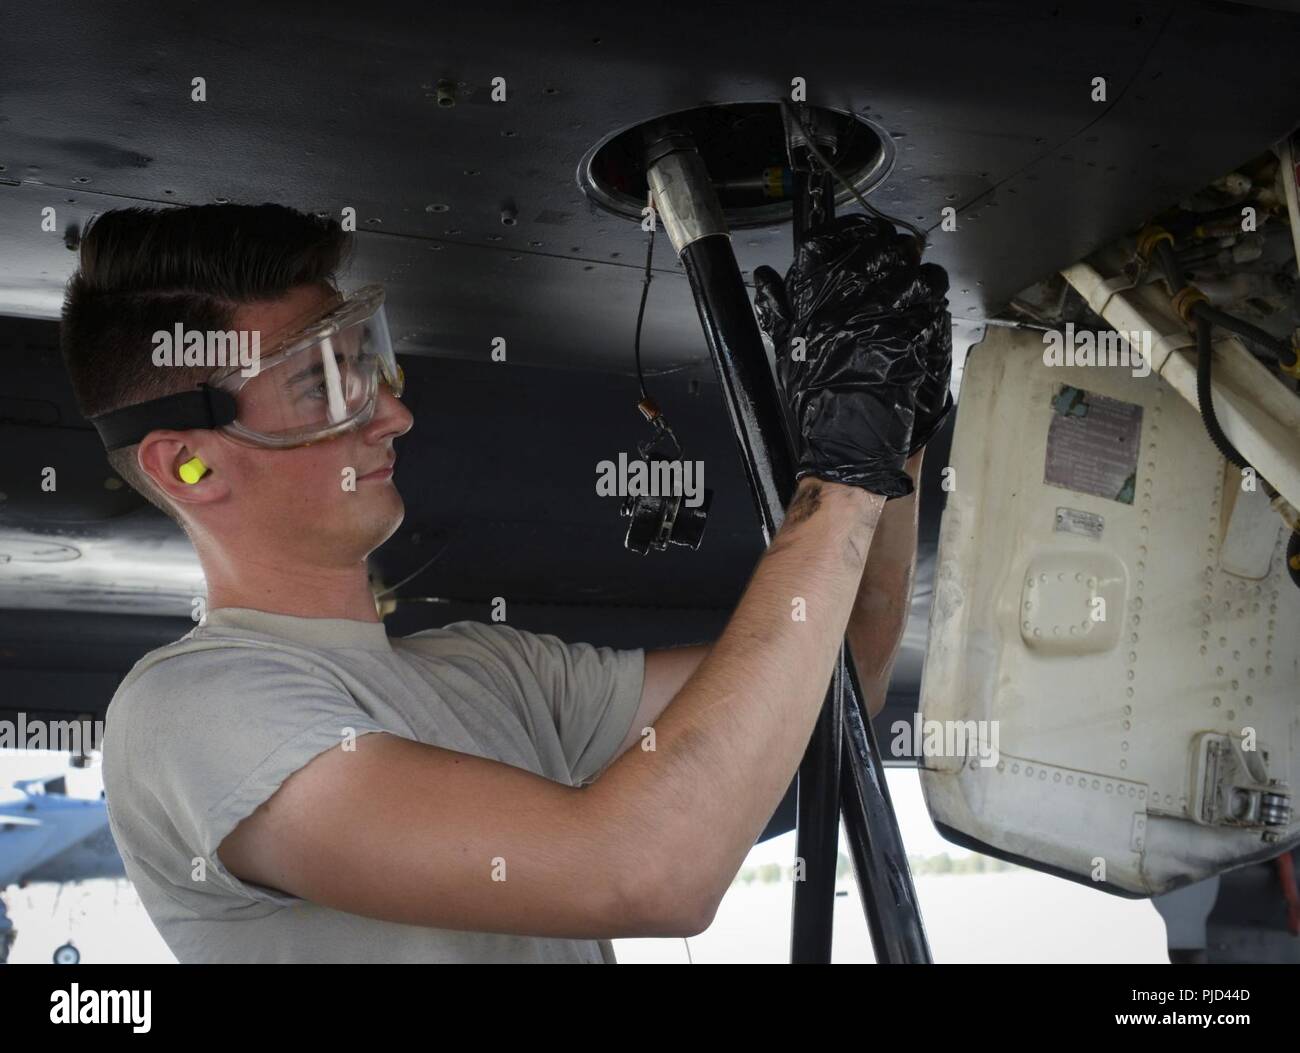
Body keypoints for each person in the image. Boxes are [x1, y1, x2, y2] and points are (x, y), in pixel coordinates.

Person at [61, 203, 950, 963]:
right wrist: (837, 478)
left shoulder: (491, 673)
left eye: (366, 362)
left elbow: (837, 675)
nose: (392, 412)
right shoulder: (188, 710)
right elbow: (641, 873)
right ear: (186, 465)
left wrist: (893, 429)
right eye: (321, 386)